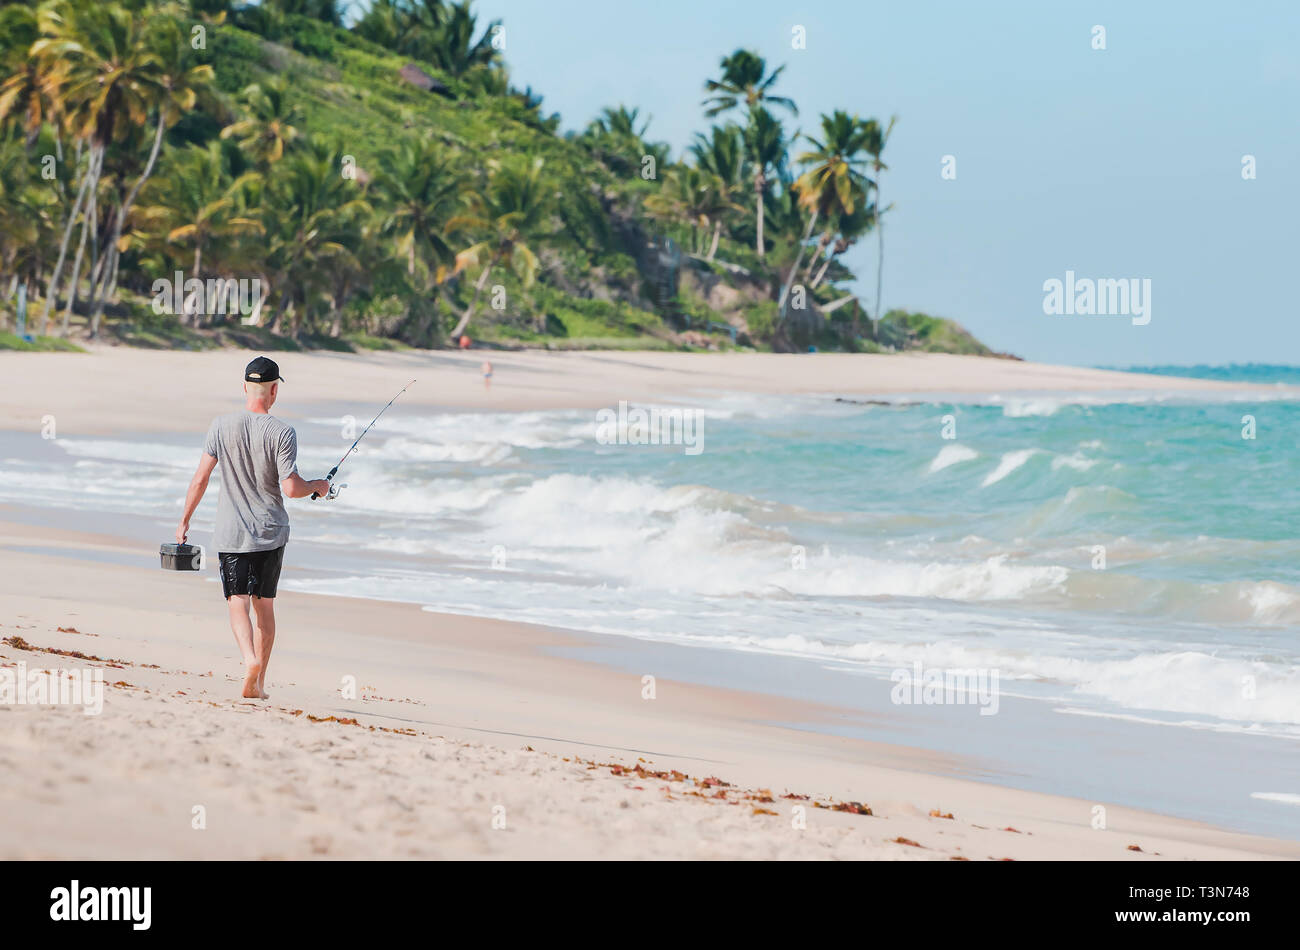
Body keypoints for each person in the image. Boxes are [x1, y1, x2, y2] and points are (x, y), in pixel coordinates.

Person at [175, 357, 330, 699]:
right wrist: (318, 485)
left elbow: (200, 478)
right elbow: (291, 488)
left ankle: (248, 661)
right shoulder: (282, 432)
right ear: (274, 391)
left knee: (236, 601)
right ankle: (258, 683)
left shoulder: (220, 425)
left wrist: (185, 521)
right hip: (270, 533)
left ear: (245, 387)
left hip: (231, 533)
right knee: (265, 608)